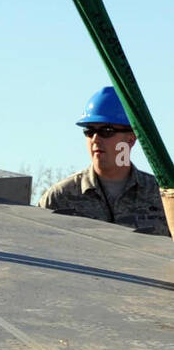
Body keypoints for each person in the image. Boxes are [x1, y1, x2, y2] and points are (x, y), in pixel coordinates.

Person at [38, 86, 171, 237]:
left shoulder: (163, 197)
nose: (95, 139)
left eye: (106, 131)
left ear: (131, 139)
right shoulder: (59, 198)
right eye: (89, 131)